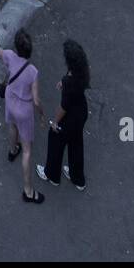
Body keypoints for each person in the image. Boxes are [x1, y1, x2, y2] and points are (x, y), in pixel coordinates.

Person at [0, 28, 46, 204]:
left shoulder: (9, 56)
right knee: (28, 151)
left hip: (10, 100)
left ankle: (12, 150)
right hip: (24, 109)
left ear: (16, 46)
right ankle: (28, 191)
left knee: (12, 126)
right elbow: (36, 101)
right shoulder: (33, 72)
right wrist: (42, 115)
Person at [37, 38, 90, 192]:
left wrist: (54, 122)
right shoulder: (83, 70)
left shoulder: (69, 83)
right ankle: (77, 178)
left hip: (69, 118)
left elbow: (63, 107)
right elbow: (71, 77)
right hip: (81, 113)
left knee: (55, 140)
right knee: (76, 143)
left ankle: (51, 174)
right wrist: (64, 80)